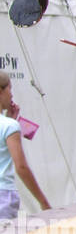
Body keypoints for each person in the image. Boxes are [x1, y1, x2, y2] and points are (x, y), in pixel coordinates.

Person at [0, 71, 50, 217]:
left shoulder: (9, 124)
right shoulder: (9, 126)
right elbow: (21, 167)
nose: (11, 95)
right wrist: (43, 202)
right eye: (10, 88)